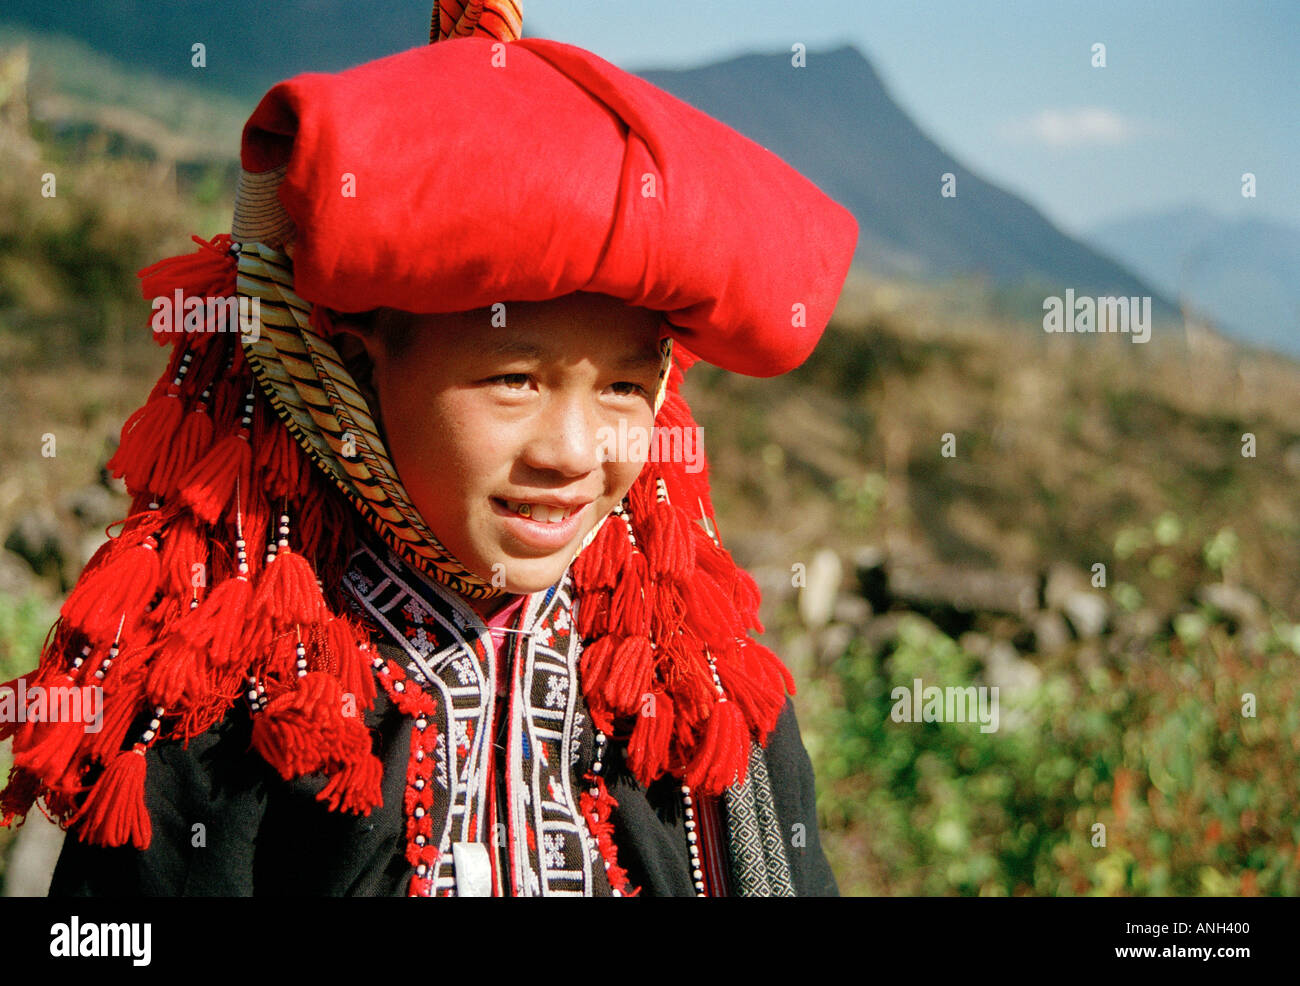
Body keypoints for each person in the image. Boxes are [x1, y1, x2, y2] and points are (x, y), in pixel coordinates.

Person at [0, 1, 858, 896]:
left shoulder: (700, 705)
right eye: (513, 380)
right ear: (361, 370)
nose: (571, 452)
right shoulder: (230, 706)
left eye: (624, 388)